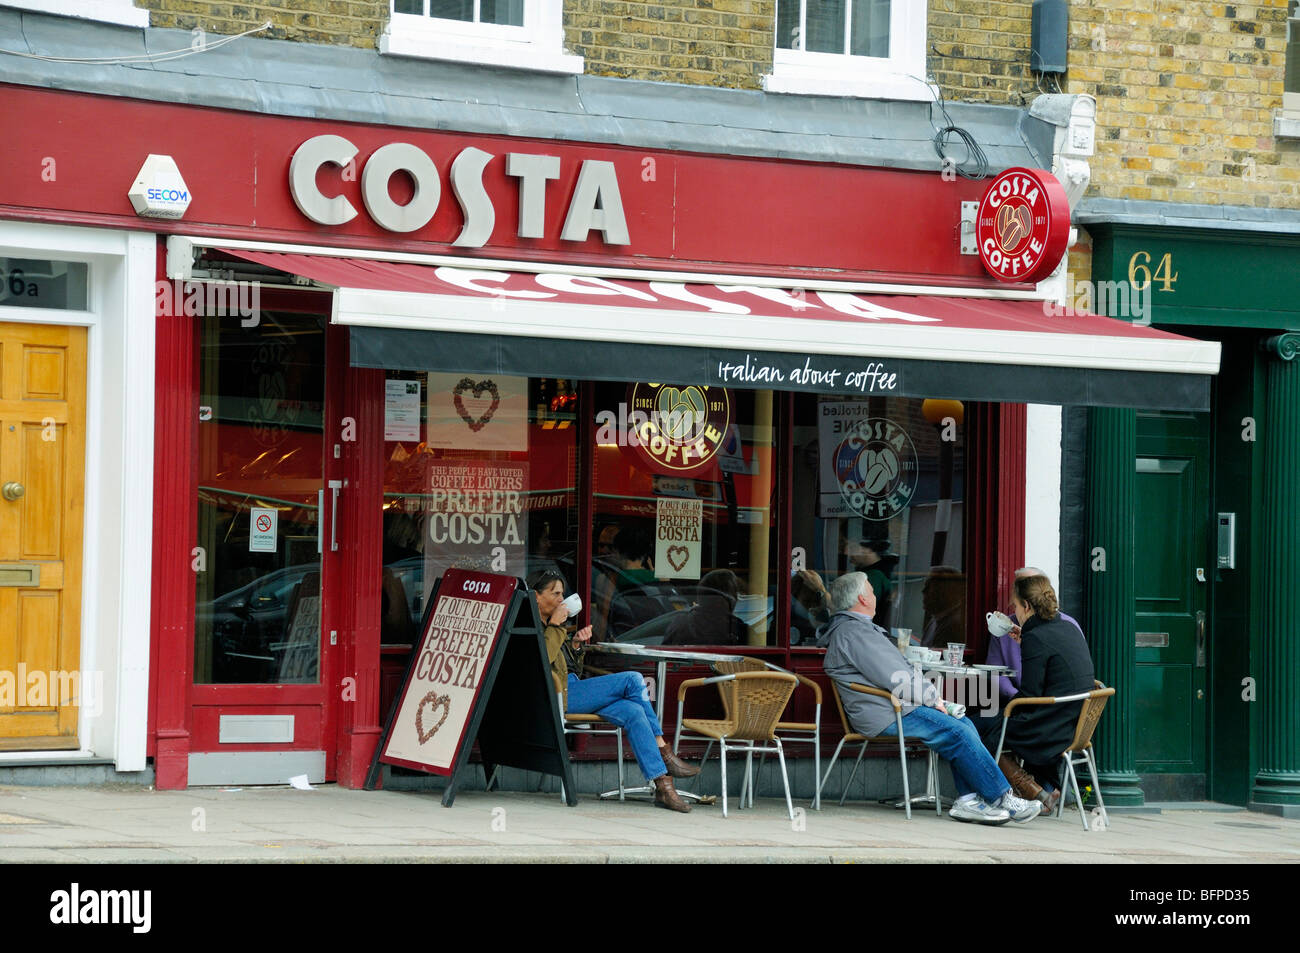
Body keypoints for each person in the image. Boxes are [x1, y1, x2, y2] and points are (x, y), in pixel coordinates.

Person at [821, 572, 1042, 825]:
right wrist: (933, 699)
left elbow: (896, 675)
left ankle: (969, 801)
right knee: (957, 732)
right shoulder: (855, 633)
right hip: (887, 713)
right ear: (862, 598)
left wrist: (931, 699)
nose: (875, 594)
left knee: (965, 725)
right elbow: (897, 677)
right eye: (871, 590)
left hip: (894, 707)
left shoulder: (855, 629)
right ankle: (1002, 798)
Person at [531, 569, 699, 813]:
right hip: (555, 695)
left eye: (562, 594)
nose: (561, 599)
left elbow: (570, 667)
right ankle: (664, 751)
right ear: (536, 596)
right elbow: (541, 662)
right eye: (555, 593)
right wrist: (557, 626)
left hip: (572, 688)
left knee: (633, 711)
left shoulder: (552, 625)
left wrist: (576, 645)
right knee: (633, 679)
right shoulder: (532, 625)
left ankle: (663, 785)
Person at [975, 573, 1095, 813]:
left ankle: (1031, 790)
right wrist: (1025, 641)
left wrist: (1006, 711)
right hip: (1074, 726)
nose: (1014, 610)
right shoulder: (1066, 626)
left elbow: (1029, 695)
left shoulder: (1036, 637)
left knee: (979, 728)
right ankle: (1044, 789)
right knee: (994, 722)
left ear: (1026, 606)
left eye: (1016, 605)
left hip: (1050, 728)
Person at [986, 566, 1086, 704]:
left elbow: (1030, 699)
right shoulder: (1068, 627)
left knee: (970, 723)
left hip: (1047, 714)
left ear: (1026, 605)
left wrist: (1017, 703)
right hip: (1069, 715)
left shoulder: (1039, 636)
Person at [665, 568, 746, 645]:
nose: (736, 599)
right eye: (735, 594)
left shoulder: (680, 623)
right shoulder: (736, 628)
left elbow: (664, 654)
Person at [790, 569, 831, 645]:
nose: (812, 605)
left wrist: (821, 589)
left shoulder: (825, 615)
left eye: (817, 597)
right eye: (807, 601)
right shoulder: (787, 619)